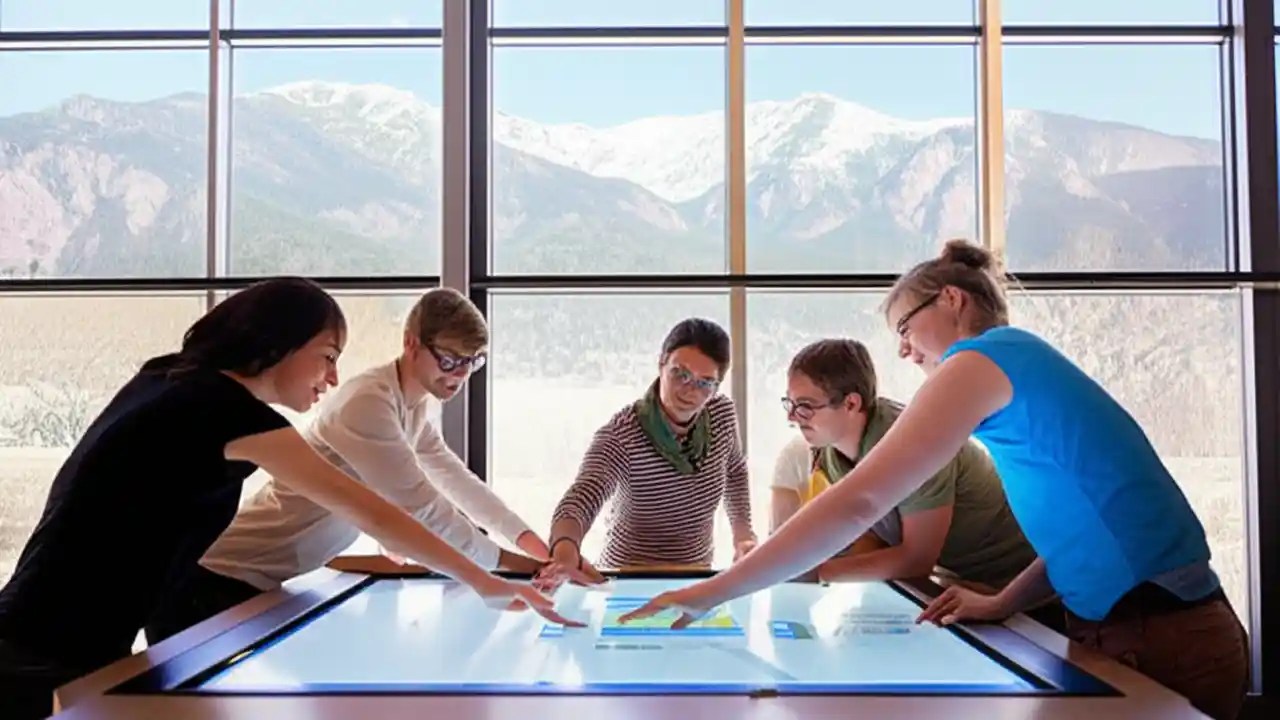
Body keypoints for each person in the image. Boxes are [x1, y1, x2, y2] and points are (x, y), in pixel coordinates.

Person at [620, 242, 1249, 720]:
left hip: (1166, 638)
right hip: (1154, 629)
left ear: (951, 301)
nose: (902, 350)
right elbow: (1084, 528)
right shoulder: (1018, 367)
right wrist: (1004, 601)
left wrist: (715, 592)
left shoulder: (981, 359)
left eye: (903, 328)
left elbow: (861, 499)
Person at [0, 278, 578, 720]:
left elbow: (449, 482)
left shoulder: (170, 379)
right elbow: (378, 509)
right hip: (45, 649)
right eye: (327, 355)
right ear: (279, 343)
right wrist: (491, 579)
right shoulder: (224, 410)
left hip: (49, 629)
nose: (330, 378)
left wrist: (522, 551)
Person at [145, 287, 567, 645]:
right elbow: (418, 507)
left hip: (262, 584)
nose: (459, 375)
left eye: (472, 362)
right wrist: (512, 568)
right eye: (449, 359)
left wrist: (533, 545)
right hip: (215, 583)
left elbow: (457, 481)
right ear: (412, 344)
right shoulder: (368, 402)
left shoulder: (411, 407)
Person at [772, 338, 1038, 596]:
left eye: (805, 406)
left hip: (1022, 582)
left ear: (851, 403)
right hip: (957, 582)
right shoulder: (831, 454)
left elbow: (916, 560)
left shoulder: (915, 444)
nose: (791, 417)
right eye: (790, 403)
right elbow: (873, 538)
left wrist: (817, 571)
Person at [548, 318, 757, 574]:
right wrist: (565, 549)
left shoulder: (721, 415)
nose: (688, 390)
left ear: (716, 387)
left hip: (697, 575)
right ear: (661, 364)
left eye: (704, 383)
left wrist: (743, 534)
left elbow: (734, 470)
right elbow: (582, 499)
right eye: (680, 374)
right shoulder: (622, 435)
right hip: (629, 577)